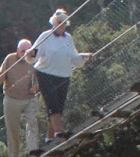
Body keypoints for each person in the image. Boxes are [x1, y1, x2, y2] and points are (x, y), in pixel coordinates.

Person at [29, 8, 94, 142]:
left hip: (63, 76)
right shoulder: (45, 36)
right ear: (54, 22)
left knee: (58, 107)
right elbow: (35, 52)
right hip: (45, 74)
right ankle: (59, 132)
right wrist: (30, 54)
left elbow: (74, 58)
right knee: (53, 104)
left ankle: (49, 138)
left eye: (64, 22)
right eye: (59, 22)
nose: (62, 25)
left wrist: (84, 57)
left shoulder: (68, 38)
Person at [0, 38, 40, 157]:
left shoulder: (34, 60)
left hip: (29, 98)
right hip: (12, 98)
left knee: (32, 122)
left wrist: (36, 87)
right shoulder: (10, 59)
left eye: (28, 51)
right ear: (17, 50)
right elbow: (1, 74)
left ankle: (33, 151)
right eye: (23, 51)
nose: (25, 54)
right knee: (12, 129)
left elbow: (40, 79)